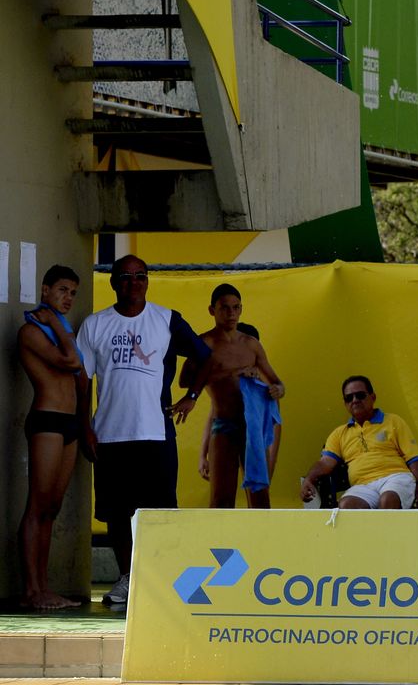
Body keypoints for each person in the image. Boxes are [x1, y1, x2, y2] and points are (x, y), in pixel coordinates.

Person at [76, 255, 213, 605]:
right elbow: (83, 380)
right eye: (125, 276)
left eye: (140, 275)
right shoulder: (95, 325)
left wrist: (192, 397)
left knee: (161, 511)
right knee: (117, 513)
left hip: (156, 433)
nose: (133, 282)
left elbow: (206, 357)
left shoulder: (166, 319)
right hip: (109, 434)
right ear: (113, 282)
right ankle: (128, 579)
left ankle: (163, 580)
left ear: (148, 281)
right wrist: (85, 426)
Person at [16, 264, 88, 609]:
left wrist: (86, 424)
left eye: (73, 293)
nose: (68, 298)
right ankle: (32, 591)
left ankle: (44, 587)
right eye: (62, 290)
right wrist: (59, 327)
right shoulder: (31, 331)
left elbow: (82, 377)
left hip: (70, 423)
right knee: (38, 504)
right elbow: (70, 361)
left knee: (52, 508)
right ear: (44, 290)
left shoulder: (61, 329)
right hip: (47, 420)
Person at [181, 285, 285, 508]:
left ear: (241, 309)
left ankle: (259, 534)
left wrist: (277, 389)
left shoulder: (251, 345)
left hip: (253, 428)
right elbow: (184, 380)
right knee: (221, 500)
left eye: (235, 308)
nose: (231, 313)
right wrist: (216, 372)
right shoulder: (205, 343)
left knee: (260, 500)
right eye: (224, 308)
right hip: (224, 426)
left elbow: (277, 385)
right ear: (212, 310)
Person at [299, 376, 418, 510]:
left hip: (395, 478)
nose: (355, 400)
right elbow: (325, 463)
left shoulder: (393, 421)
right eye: (349, 398)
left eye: (360, 395)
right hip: (362, 486)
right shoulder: (339, 433)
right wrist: (309, 479)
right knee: (347, 505)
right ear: (345, 403)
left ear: (373, 397)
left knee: (387, 500)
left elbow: (413, 457)